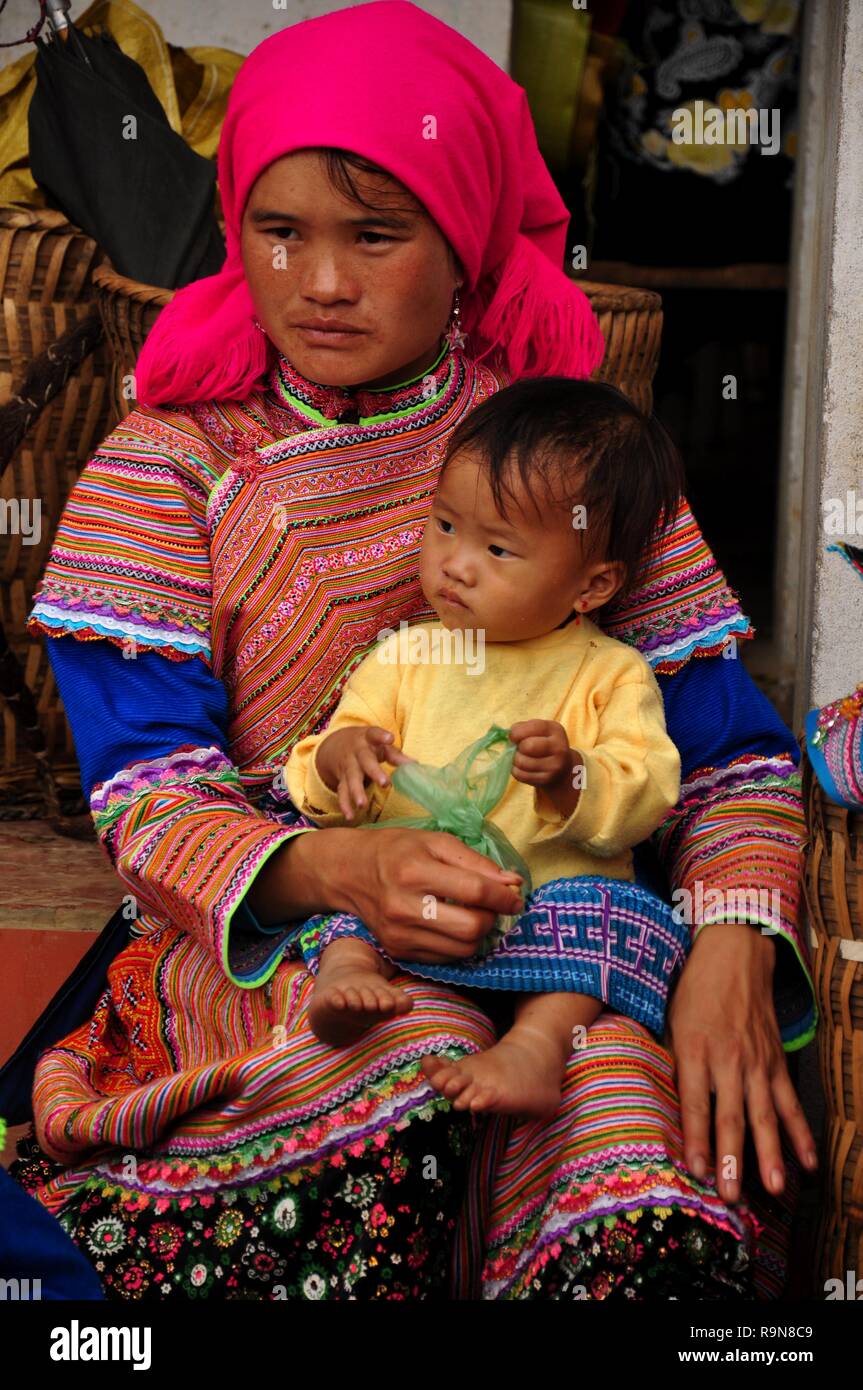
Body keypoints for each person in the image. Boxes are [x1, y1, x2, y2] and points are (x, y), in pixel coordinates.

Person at [9, 2, 817, 1301]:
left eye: (375, 235)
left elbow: (727, 756)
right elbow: (146, 792)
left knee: (620, 1109)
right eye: (277, 233)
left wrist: (726, 938)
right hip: (287, 947)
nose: (320, 284)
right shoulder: (164, 465)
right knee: (406, 1048)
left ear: (466, 238)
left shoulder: (564, 455)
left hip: (561, 936)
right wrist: (343, 862)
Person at [284, 376, 688, 1121]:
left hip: (542, 915)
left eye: (498, 548)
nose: (455, 564)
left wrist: (572, 775)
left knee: (624, 921)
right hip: (410, 913)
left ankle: (535, 1045)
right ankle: (345, 980)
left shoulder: (607, 673)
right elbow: (323, 757)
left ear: (591, 585)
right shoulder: (405, 656)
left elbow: (646, 788)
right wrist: (342, 759)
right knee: (329, 911)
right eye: (443, 526)